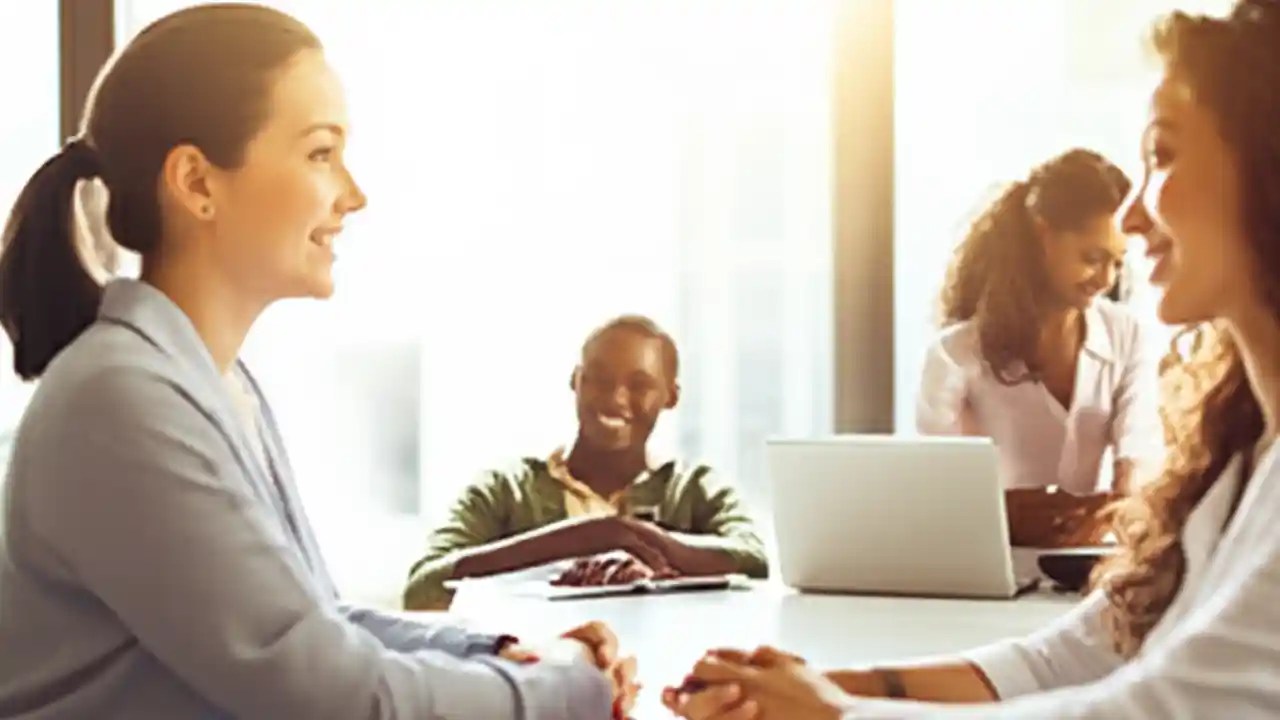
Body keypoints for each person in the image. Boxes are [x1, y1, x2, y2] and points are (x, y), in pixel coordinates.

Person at [0, 5, 636, 718]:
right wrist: (568, 687)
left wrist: (496, 653)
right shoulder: (121, 403)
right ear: (198, 183)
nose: (353, 195)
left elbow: (313, 624)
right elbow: (334, 698)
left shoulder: (210, 383)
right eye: (320, 153)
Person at [664, 0, 1280, 716]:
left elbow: (1161, 709)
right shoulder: (1241, 458)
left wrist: (832, 714)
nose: (1135, 218)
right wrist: (830, 687)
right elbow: (1078, 653)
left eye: (1162, 155)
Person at [403, 315, 768, 610]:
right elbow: (424, 589)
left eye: (639, 385)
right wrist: (589, 539)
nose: (615, 398)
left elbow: (753, 563)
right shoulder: (505, 489)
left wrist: (638, 538)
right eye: (599, 380)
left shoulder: (695, 489)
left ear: (671, 396)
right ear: (576, 381)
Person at [916, 148, 1163, 546]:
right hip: (989, 559)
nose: (1105, 279)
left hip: (1084, 561)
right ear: (1043, 235)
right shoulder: (955, 354)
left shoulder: (1127, 335)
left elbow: (1138, 453)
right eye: (1092, 258)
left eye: (1117, 262)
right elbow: (938, 490)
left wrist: (1124, 510)